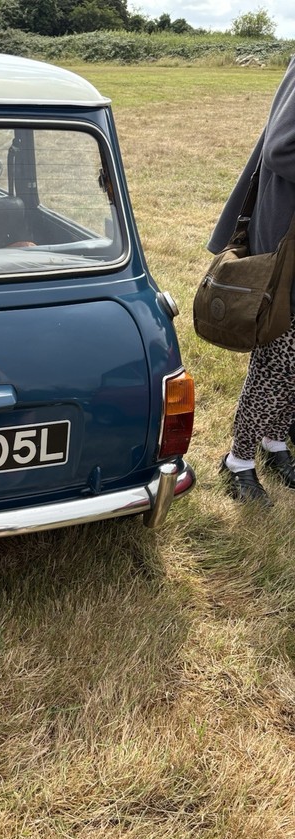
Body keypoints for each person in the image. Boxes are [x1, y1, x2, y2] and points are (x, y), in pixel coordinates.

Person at [209, 56, 295, 506]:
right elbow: (282, 149)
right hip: (285, 246)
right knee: (278, 360)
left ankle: (274, 442)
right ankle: (238, 460)